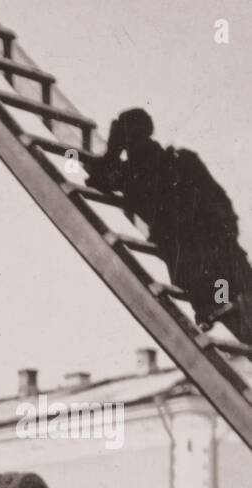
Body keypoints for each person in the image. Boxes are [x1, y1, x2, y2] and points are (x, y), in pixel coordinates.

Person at [86, 108, 252, 342]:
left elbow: (96, 179)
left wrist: (113, 149)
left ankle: (220, 303)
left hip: (193, 252)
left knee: (221, 296)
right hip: (221, 244)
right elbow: (220, 200)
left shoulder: (132, 172)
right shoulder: (181, 158)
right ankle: (223, 302)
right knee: (233, 290)